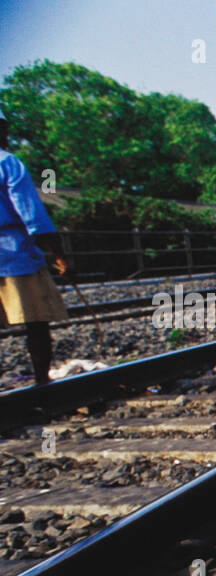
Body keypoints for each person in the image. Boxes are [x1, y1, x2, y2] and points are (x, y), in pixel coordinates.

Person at [0, 108, 71, 385]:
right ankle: (42, 382)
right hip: (15, 254)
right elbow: (32, 216)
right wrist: (59, 256)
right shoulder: (8, 163)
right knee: (37, 321)